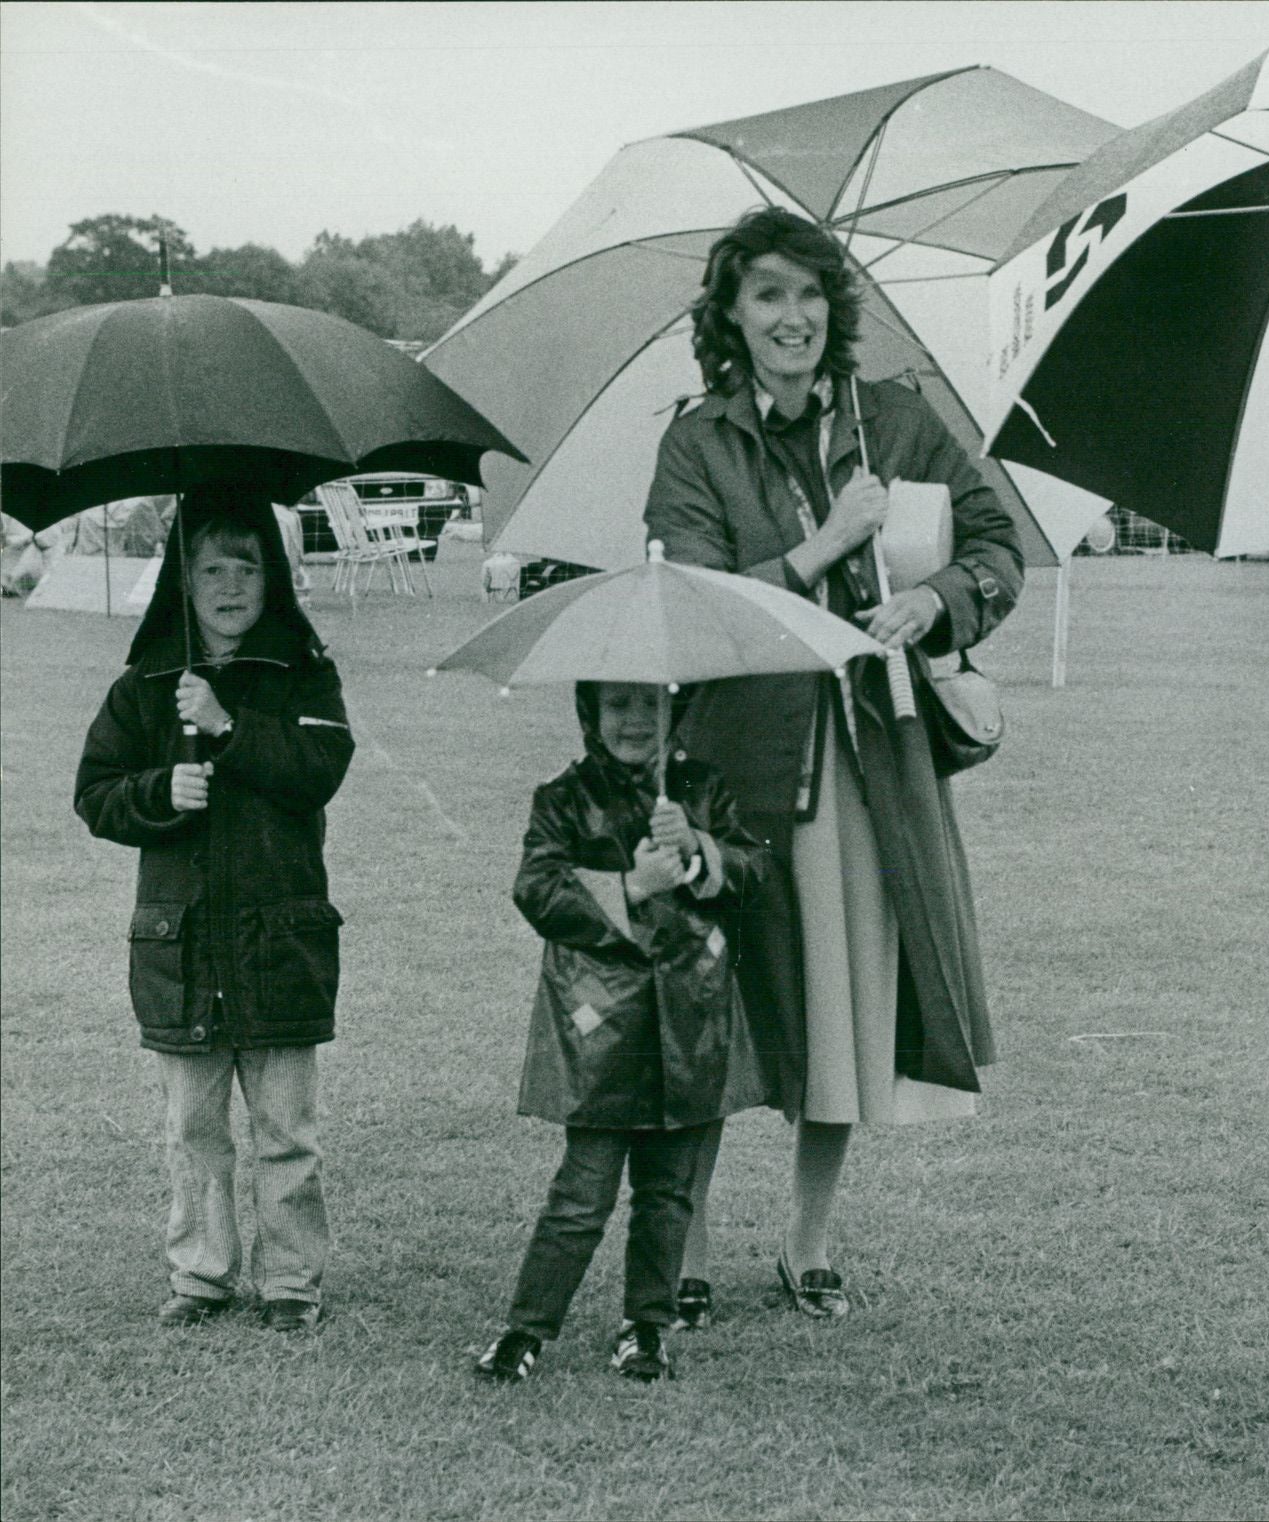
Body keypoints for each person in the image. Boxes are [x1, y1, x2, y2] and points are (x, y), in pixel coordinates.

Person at [643, 206, 1022, 1321]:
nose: (791, 316)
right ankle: (690, 1244)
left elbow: (996, 545)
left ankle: (807, 1240)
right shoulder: (695, 441)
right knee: (715, 1009)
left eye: (810, 294)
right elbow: (696, 612)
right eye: (766, 295)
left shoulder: (895, 420)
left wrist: (933, 597)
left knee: (843, 1008)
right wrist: (826, 542)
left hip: (868, 764)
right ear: (730, 315)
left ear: (833, 309)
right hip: (736, 766)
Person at [74, 487, 355, 1332]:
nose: (231, 587)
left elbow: (319, 769)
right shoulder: (148, 683)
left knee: (285, 1129)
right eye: (209, 571)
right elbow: (94, 793)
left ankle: (291, 1283)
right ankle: (200, 1274)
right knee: (194, 1129)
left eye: (247, 567)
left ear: (273, 577)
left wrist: (228, 726)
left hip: (280, 941)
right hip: (183, 947)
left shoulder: (305, 674)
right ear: (181, 582)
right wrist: (163, 787)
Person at [475, 681, 773, 1383]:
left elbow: (756, 869)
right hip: (601, 1028)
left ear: (676, 709)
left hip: (690, 1021)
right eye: (617, 705)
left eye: (651, 703)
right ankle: (526, 1330)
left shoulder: (701, 789)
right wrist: (631, 885)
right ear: (589, 712)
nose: (635, 720)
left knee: (670, 1191)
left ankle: (646, 1326)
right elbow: (536, 889)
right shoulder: (562, 797)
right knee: (583, 1191)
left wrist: (698, 848)